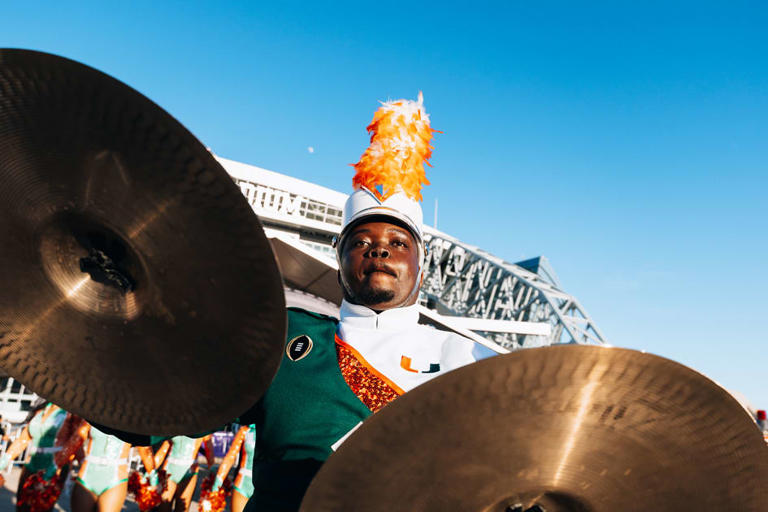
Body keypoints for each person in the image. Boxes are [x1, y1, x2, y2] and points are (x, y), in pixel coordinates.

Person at [99, 94, 477, 512]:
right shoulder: (283, 334)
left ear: (422, 270)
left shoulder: (461, 356)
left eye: (398, 243)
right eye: (361, 242)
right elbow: (162, 409)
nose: (379, 251)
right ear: (339, 265)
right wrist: (108, 317)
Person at [70, 423, 152, 512]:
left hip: (115, 481)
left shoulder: (134, 423)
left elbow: (145, 451)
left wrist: (154, 478)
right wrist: (82, 460)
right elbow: (76, 439)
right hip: (86, 477)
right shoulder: (92, 416)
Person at [155, 435, 214, 512]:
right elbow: (163, 450)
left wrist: (212, 484)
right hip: (169, 470)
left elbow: (210, 457)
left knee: (182, 509)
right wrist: (149, 473)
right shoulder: (174, 424)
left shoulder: (203, 428)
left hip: (189, 473)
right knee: (163, 508)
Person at [211, 424, 256, 512]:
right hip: (242, 487)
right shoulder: (246, 430)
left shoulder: (273, 431)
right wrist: (217, 485)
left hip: (263, 489)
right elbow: (230, 458)